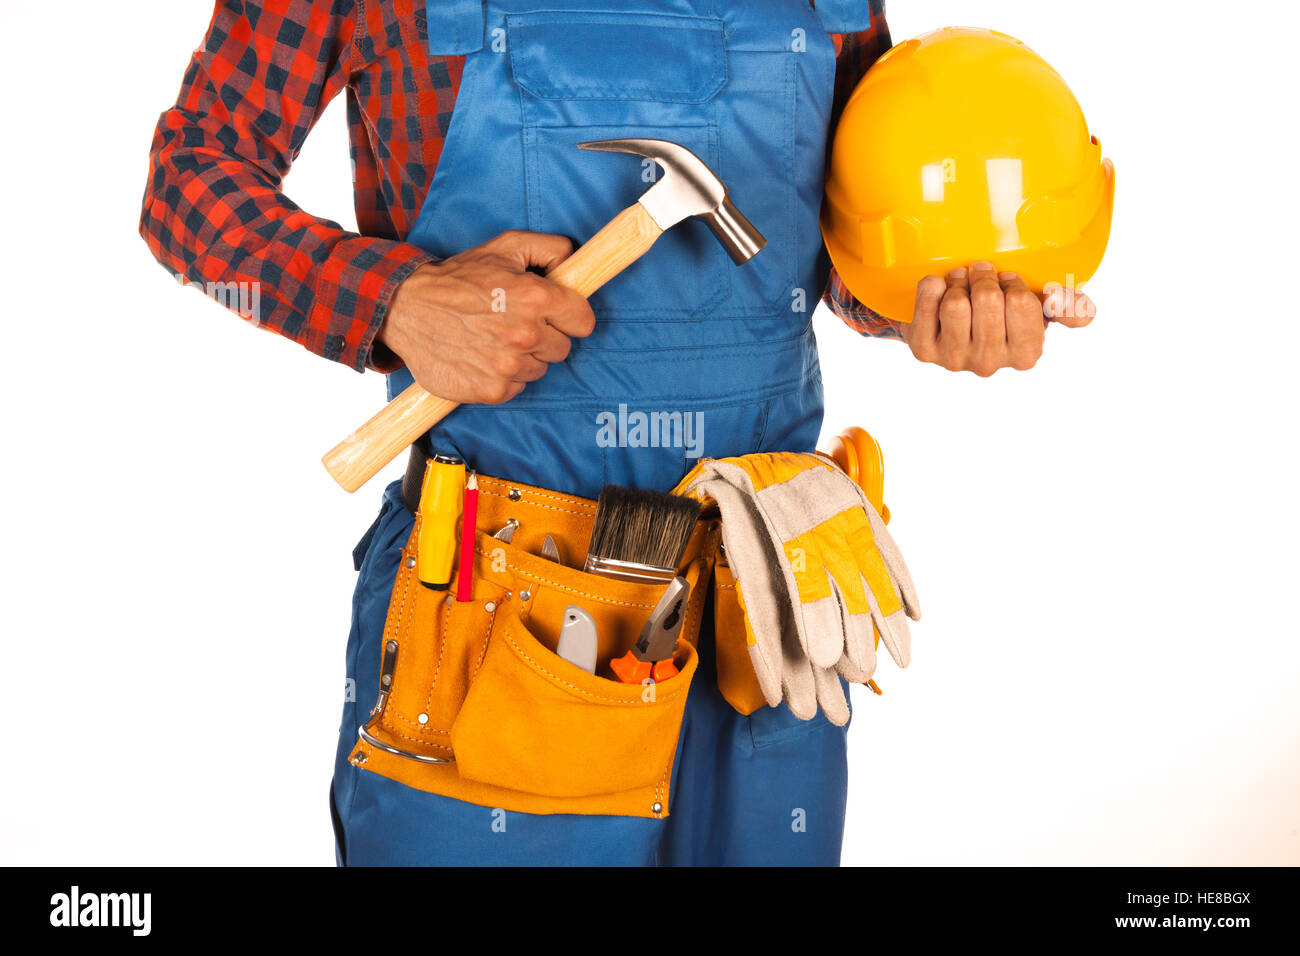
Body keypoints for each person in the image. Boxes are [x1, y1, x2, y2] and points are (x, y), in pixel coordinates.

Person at [140, 0, 1096, 866]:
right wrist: (393, 301)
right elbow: (188, 182)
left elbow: (836, 246)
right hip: (490, 619)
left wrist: (933, 300)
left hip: (764, 622)